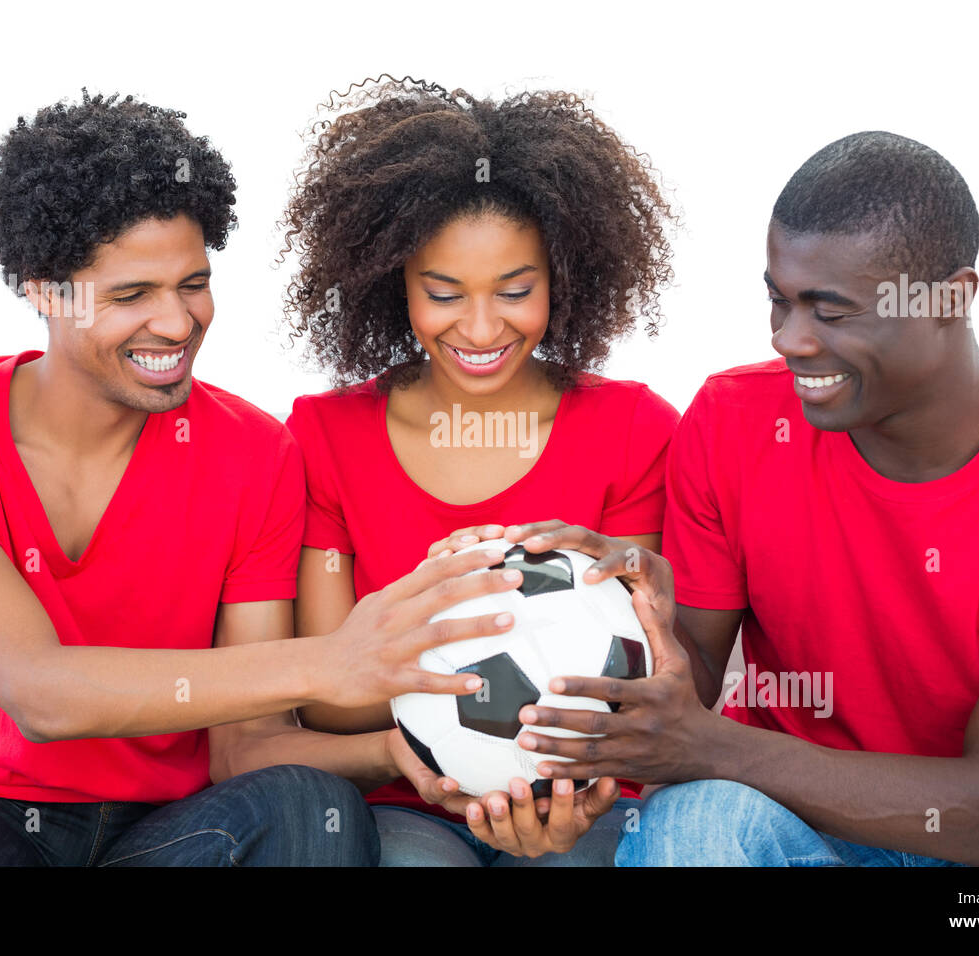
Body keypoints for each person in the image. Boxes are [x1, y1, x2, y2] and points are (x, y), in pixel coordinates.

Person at [0, 91, 522, 867]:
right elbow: (37, 693)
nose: (177, 322)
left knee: (308, 805)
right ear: (43, 290)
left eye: (192, 284)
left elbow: (246, 749)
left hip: (171, 832)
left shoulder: (255, 453)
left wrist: (409, 752)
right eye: (131, 296)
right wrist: (333, 660)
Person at [467, 132, 979, 866]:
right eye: (778, 301)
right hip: (790, 818)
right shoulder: (733, 421)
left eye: (831, 312)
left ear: (951, 298)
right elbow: (688, 676)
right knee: (695, 829)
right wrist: (634, 617)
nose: (789, 339)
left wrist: (709, 746)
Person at [275, 77, 681, 865]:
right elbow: (330, 705)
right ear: (393, 283)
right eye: (444, 293)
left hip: (590, 798)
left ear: (563, 278)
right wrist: (450, 723)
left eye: (516, 290)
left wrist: (555, 773)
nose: (483, 327)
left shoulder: (633, 429)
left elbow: (645, 671)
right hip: (409, 810)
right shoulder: (326, 436)